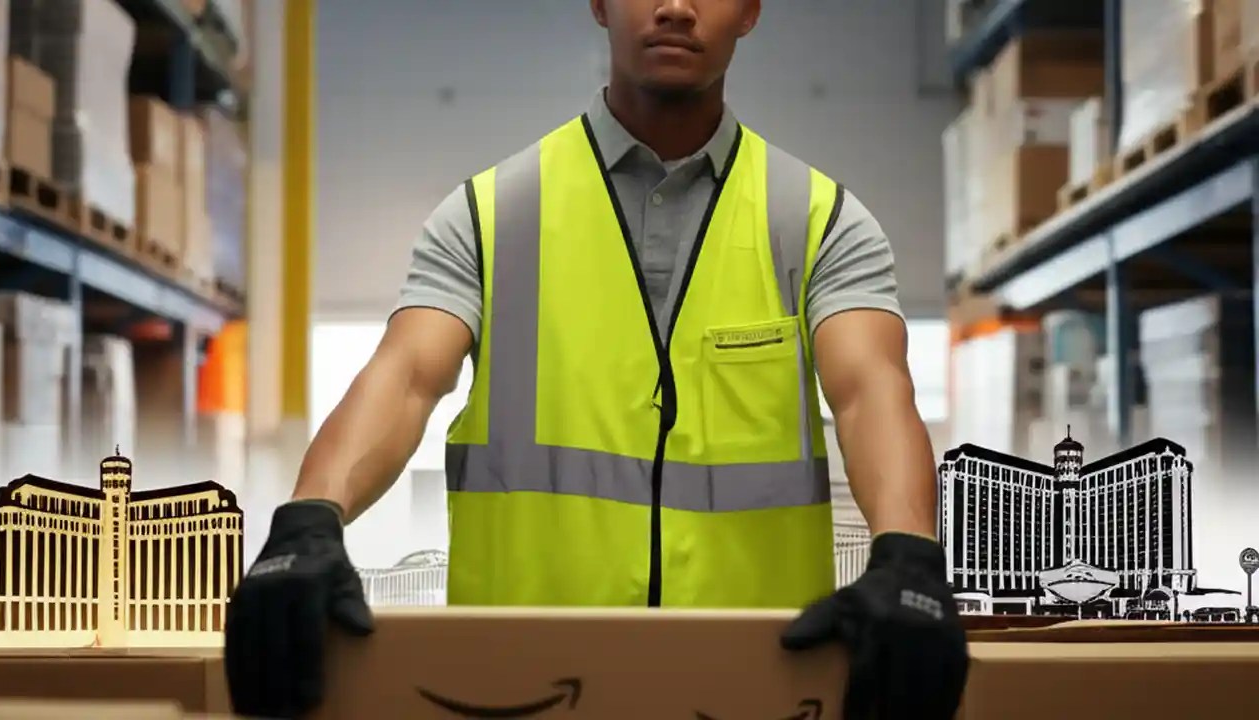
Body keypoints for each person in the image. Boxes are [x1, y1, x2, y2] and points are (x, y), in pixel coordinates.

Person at [224, 1, 969, 718]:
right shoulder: (490, 216)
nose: (675, 7)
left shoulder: (821, 221)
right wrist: (310, 518)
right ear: (599, 3)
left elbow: (872, 391)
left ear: (750, 10)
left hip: (752, 686)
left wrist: (906, 552)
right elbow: (407, 377)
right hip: (520, 688)